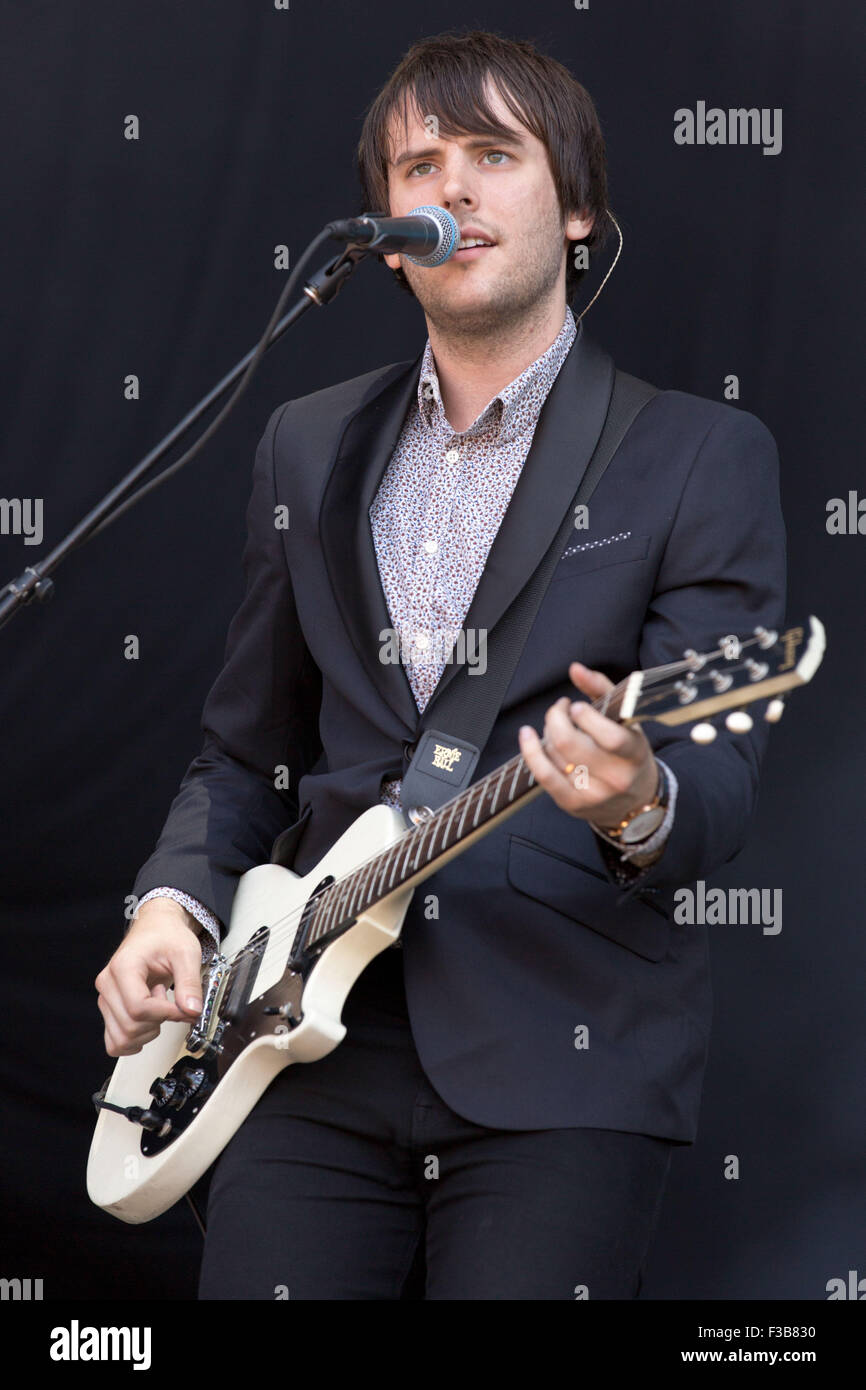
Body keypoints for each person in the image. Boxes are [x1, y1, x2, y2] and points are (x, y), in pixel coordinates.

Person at [94, 29, 786, 1299]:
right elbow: (246, 747)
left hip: (559, 1050)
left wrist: (637, 796)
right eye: (419, 164)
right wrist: (169, 902)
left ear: (574, 208)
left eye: (491, 154)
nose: (450, 190)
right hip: (297, 1053)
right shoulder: (307, 445)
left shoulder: (698, 455)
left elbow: (713, 790)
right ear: (384, 221)